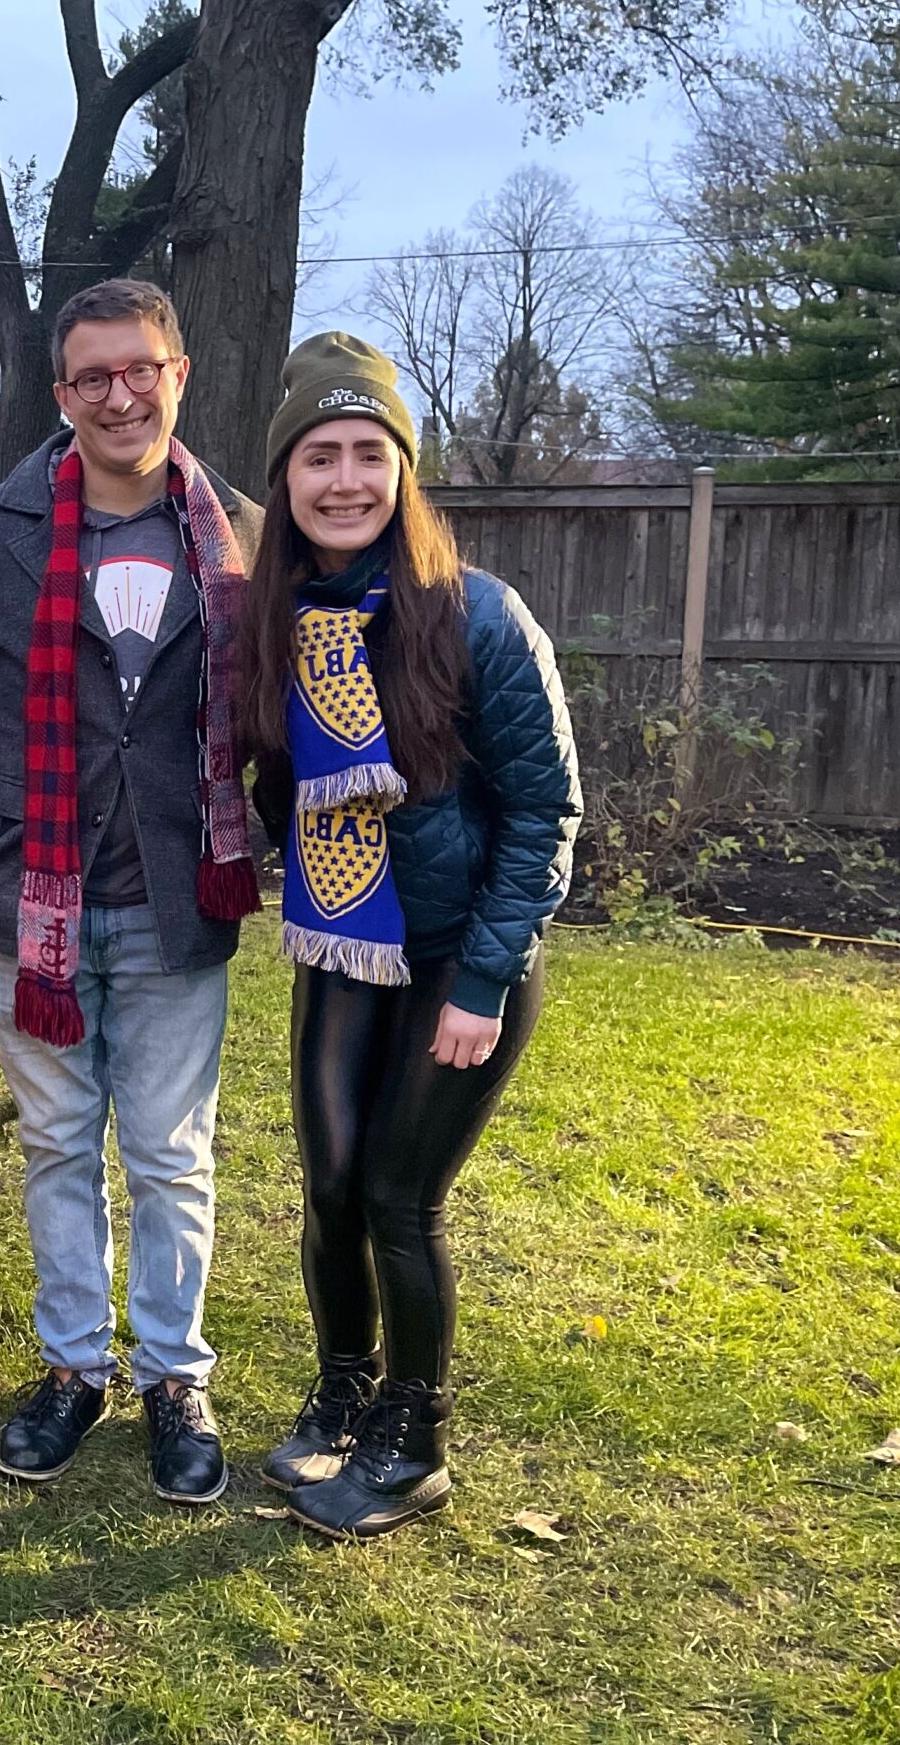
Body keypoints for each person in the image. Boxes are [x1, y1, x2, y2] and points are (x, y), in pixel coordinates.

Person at [0, 277, 262, 1506]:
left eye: (141, 369)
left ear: (179, 374)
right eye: (93, 377)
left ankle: (173, 1373)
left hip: (181, 903)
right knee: (58, 1145)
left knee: (170, 1153)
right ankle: (74, 1367)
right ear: (61, 395)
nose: (121, 395)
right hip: (34, 908)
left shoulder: (241, 537)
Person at [244, 333, 581, 1539]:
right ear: (284, 480)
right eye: (318, 457)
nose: (344, 479)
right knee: (329, 1189)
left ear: (403, 470)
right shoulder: (276, 625)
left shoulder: (478, 618)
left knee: (397, 1194)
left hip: (458, 960)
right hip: (344, 945)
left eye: (367, 454)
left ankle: (415, 1437)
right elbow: (261, 780)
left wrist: (482, 981)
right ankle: (339, 1396)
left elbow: (545, 812)